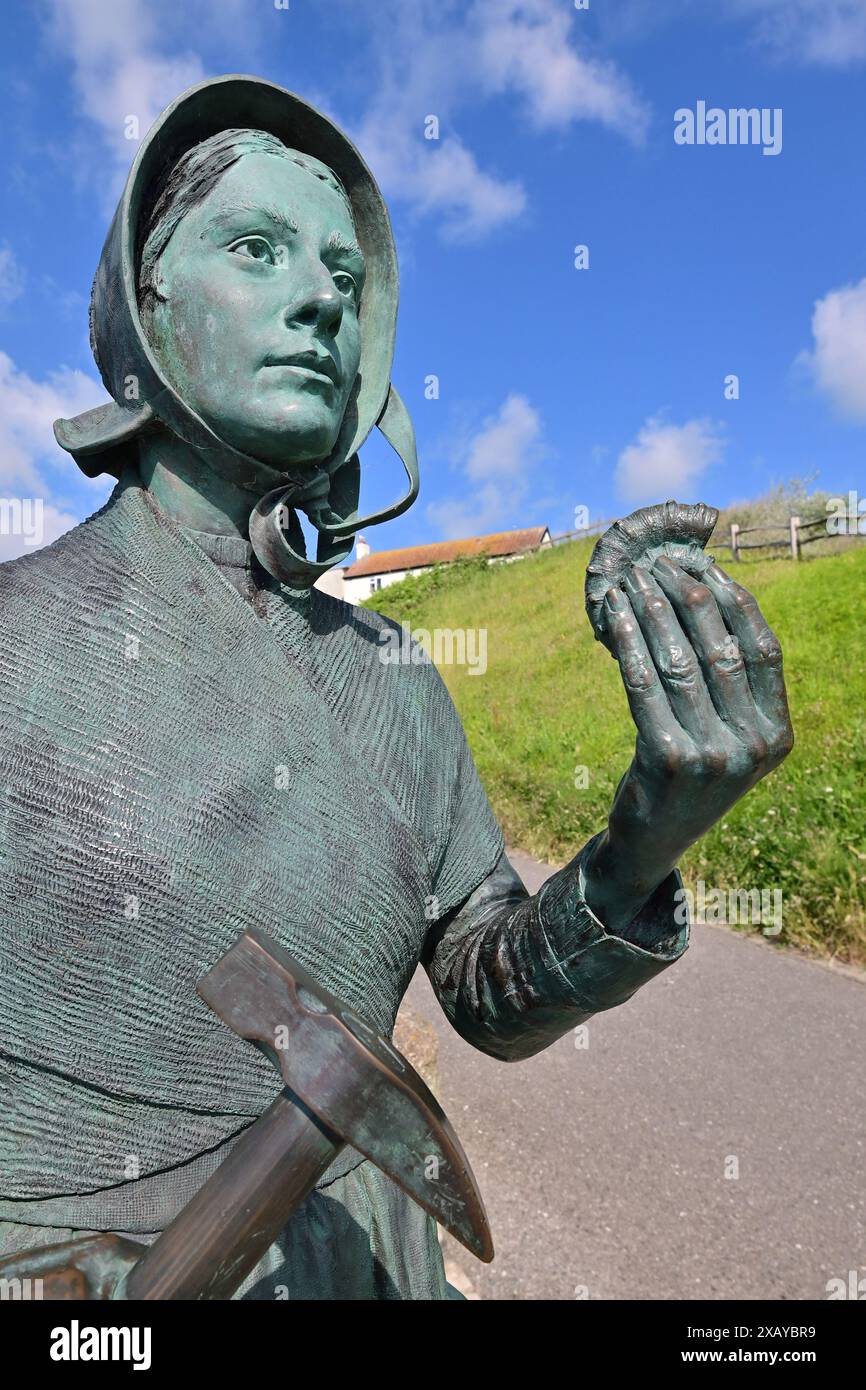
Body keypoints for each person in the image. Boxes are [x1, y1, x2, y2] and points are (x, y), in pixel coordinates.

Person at [0, 76, 792, 1300]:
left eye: (343, 277)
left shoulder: (393, 681)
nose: (322, 298)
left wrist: (644, 838)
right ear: (147, 306)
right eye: (256, 250)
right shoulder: (15, 640)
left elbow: (487, 991)